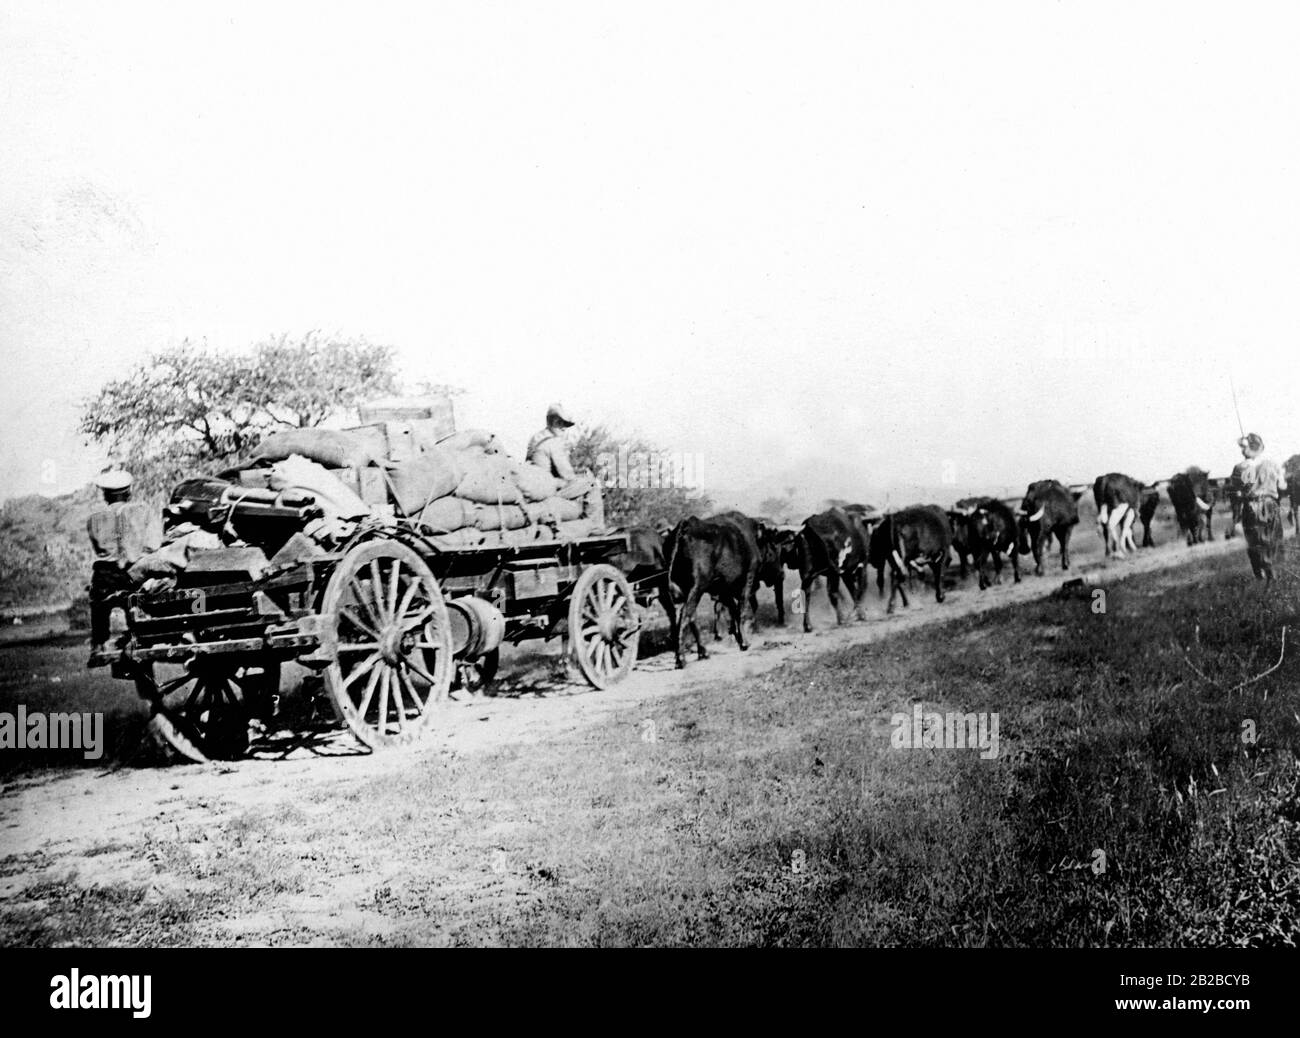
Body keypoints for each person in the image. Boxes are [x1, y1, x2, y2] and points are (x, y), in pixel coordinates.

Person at [87, 468, 159, 660]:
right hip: (133, 571)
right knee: (137, 601)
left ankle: (98, 645)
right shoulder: (142, 510)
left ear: (105, 494)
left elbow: (97, 546)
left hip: (105, 573)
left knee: (98, 603)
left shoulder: (94, 518)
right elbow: (153, 544)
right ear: (128, 492)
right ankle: (137, 637)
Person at [526, 403, 605, 529]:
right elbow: (567, 475)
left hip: (537, 488)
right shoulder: (554, 443)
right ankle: (594, 526)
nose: (563, 428)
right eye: (560, 423)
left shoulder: (536, 438)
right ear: (552, 422)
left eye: (564, 424)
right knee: (590, 482)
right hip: (549, 491)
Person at [1226, 433, 1287, 587]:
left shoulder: (1239, 467)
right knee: (1272, 539)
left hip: (1252, 506)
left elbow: (1236, 491)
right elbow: (1282, 487)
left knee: (1254, 542)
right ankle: (1272, 576)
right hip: (1271, 504)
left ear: (1245, 449)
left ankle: (1260, 576)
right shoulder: (1273, 464)